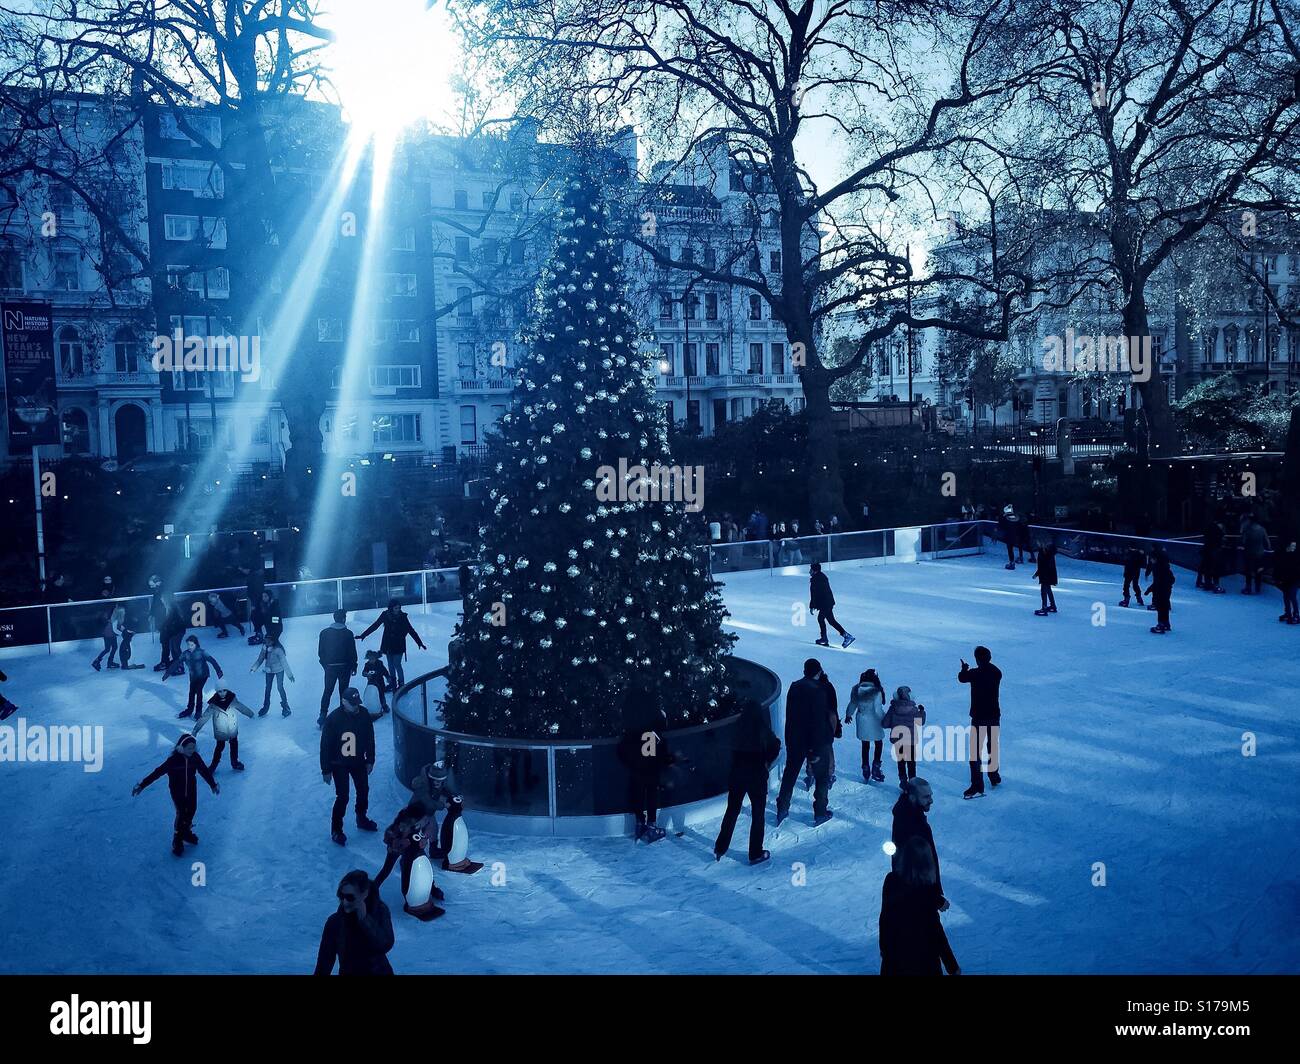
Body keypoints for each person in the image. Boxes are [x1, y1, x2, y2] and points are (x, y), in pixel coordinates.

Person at [879, 836, 960, 976]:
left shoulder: (891, 881)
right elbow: (936, 932)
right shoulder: (926, 892)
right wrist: (952, 966)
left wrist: (886, 953)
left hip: (896, 960)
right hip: (924, 961)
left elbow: (885, 921)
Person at [713, 699, 781, 865]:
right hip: (756, 776)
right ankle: (755, 852)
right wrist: (766, 761)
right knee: (758, 815)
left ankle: (720, 847)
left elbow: (725, 748)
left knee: (732, 811)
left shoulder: (736, 727)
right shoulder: (761, 729)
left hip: (737, 775)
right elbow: (775, 745)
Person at [131, 733, 220, 856]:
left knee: (192, 810)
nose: (192, 750)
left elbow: (204, 770)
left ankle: (186, 833)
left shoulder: (195, 757)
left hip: (191, 789)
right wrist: (142, 785)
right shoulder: (173, 761)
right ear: (181, 748)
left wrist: (213, 784)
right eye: (189, 748)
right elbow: (157, 773)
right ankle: (177, 840)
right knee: (182, 813)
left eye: (193, 747)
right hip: (177, 791)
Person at [775, 658, 835, 826]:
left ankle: (782, 807)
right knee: (822, 777)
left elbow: (791, 716)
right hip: (815, 742)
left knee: (790, 774)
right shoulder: (820, 691)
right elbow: (817, 721)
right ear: (818, 672)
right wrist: (815, 749)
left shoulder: (794, 687)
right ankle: (820, 812)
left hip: (795, 740)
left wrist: (789, 740)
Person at [320, 687, 377, 845]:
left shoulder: (364, 714)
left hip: (358, 761)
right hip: (340, 764)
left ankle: (361, 817)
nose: (356, 707)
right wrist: (326, 770)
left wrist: (370, 759)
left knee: (363, 790)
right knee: (343, 796)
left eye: (357, 703)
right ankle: (336, 829)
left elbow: (369, 737)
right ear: (343, 702)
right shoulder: (333, 719)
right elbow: (325, 746)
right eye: (353, 704)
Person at [314, 870, 395, 975]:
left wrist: (365, 920)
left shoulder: (379, 911)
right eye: (341, 897)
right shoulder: (335, 922)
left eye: (350, 897)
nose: (345, 902)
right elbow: (324, 963)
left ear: (364, 894)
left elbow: (385, 944)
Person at [373, 804, 446, 921]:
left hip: (414, 848)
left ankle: (432, 888)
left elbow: (425, 828)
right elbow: (388, 836)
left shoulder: (420, 821)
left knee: (424, 869)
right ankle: (372, 890)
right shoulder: (399, 826)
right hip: (398, 849)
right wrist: (398, 843)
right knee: (388, 869)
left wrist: (424, 837)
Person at [617, 703, 676, 842]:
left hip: (637, 768)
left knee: (638, 793)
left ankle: (639, 823)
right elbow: (660, 751)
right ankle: (651, 826)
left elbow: (623, 748)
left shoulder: (633, 728)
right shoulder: (654, 730)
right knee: (651, 795)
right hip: (650, 768)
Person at [409, 761, 480, 872]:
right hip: (416, 813)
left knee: (433, 830)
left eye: (440, 781)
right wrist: (443, 805)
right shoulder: (423, 784)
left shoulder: (439, 783)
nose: (437, 783)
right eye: (435, 780)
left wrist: (455, 796)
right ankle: (407, 857)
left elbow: (446, 790)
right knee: (415, 835)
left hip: (428, 813)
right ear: (431, 778)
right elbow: (427, 801)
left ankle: (433, 850)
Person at [891, 777, 947, 903]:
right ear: (912, 798)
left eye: (930, 795)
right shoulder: (913, 827)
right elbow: (918, 869)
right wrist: (935, 900)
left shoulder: (908, 814)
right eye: (926, 797)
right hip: (918, 899)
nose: (931, 800)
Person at [958, 646, 1001, 798]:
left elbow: (962, 678)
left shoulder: (975, 674)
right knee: (992, 747)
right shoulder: (997, 672)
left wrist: (964, 669)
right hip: (994, 716)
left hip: (979, 718)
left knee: (975, 753)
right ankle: (994, 776)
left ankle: (977, 785)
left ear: (977, 659)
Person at [357, 599, 426, 693]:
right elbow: (376, 625)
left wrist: (419, 642)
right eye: (396, 608)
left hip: (399, 644)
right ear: (391, 608)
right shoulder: (385, 615)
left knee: (397, 664)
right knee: (390, 665)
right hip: (388, 644)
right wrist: (364, 635)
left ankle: (401, 684)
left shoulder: (403, 616)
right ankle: (393, 683)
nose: (398, 610)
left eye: (399, 608)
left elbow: (410, 630)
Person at [192, 686, 255, 773]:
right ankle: (213, 766)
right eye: (219, 691)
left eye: (224, 690)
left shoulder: (232, 700)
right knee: (219, 747)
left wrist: (251, 714)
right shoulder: (213, 704)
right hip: (220, 729)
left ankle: (235, 762)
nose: (222, 693)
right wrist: (196, 729)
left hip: (232, 727)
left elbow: (242, 708)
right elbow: (205, 717)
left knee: (234, 745)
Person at [166, 635, 223, 719]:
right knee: (191, 692)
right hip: (193, 676)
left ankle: (198, 712)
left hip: (203, 674)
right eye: (188, 645)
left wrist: (219, 671)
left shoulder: (201, 652)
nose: (190, 647)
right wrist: (168, 673)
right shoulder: (185, 654)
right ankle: (189, 710)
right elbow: (177, 662)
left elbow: (212, 660)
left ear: (196, 644)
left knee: (198, 691)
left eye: (191, 645)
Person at [845, 668, 887, 783]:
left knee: (865, 745)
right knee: (878, 743)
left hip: (862, 720)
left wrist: (848, 715)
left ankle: (865, 767)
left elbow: (852, 704)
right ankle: (876, 767)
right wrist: (885, 720)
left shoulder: (856, 689)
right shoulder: (876, 692)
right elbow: (878, 710)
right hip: (874, 721)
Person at [318, 609, 358, 727]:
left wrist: (325, 665)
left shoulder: (324, 633)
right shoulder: (348, 633)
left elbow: (321, 652)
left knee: (327, 691)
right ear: (343, 619)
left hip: (330, 667)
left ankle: (322, 714)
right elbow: (352, 652)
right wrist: (354, 665)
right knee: (343, 691)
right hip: (344, 667)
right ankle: (344, 714)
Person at [882, 686, 925, 787]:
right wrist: (922, 712)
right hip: (910, 741)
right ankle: (913, 782)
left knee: (901, 762)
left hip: (898, 741)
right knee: (911, 762)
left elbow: (884, 724)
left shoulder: (893, 709)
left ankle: (903, 781)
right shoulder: (914, 710)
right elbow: (921, 722)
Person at [805, 667, 840, 790]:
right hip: (828, 719)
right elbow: (834, 705)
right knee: (828, 746)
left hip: (814, 719)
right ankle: (829, 773)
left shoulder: (809, 686)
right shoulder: (828, 686)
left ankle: (810, 772)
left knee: (811, 746)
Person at [808, 562, 854, 649]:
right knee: (831, 621)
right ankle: (845, 636)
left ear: (814, 570)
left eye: (811, 569)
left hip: (825, 604)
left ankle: (825, 638)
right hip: (827, 603)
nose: (809, 571)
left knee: (821, 619)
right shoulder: (820, 577)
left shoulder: (817, 579)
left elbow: (815, 594)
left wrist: (812, 606)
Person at [251, 634, 295, 717]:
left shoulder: (278, 650)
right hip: (269, 670)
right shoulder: (265, 648)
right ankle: (265, 707)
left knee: (280, 687)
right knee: (268, 689)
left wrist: (290, 675)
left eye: (269, 641)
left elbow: (284, 663)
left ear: (273, 641)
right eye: (266, 641)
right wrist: (254, 668)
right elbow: (260, 659)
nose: (267, 642)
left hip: (279, 670)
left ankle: (286, 707)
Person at [1147, 546, 1176, 634]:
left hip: (1162, 590)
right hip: (1165, 589)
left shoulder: (1159, 568)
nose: (1150, 561)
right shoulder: (1163, 566)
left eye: (1151, 559)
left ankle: (1161, 625)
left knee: (1161, 607)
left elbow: (1160, 581)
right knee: (1164, 607)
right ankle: (1166, 624)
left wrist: (1154, 588)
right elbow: (1171, 579)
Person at [1241, 515, 1271, 595]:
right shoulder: (1262, 529)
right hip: (1259, 553)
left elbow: (1243, 541)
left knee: (1248, 571)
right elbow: (1267, 541)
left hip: (1249, 552)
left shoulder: (1248, 530)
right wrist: (1268, 548)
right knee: (1258, 570)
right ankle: (1257, 587)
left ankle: (1248, 587)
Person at [91, 605, 125, 671]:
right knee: (107, 649)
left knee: (114, 647)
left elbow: (119, 626)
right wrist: (122, 633)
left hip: (110, 634)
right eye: (123, 613)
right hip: (109, 635)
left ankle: (110, 662)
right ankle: (97, 661)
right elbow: (115, 629)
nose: (124, 613)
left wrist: (125, 630)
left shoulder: (116, 619)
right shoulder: (115, 619)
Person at [1274, 540, 1299, 624]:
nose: (1294, 548)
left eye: (1295, 546)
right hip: (1285, 580)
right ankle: (1288, 613)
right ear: (1287, 547)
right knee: (1286, 597)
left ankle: (1296, 614)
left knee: (1292, 596)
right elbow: (1279, 568)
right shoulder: (1283, 556)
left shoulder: (1296, 556)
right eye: (1292, 546)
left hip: (1294, 579)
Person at [361, 650, 392, 715]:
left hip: (380, 682)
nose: (371, 661)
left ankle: (384, 705)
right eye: (370, 659)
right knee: (372, 695)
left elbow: (385, 671)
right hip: (371, 682)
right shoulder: (367, 665)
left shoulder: (380, 664)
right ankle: (373, 706)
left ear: (376, 658)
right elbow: (363, 672)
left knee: (381, 695)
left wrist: (388, 677)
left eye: (372, 659)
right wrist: (366, 674)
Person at [1201, 517, 1226, 593]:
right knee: (1215, 568)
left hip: (1207, 550)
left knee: (1207, 567)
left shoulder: (1208, 527)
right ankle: (1216, 586)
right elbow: (1221, 538)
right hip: (1214, 550)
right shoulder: (1218, 530)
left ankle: (1207, 584)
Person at [1032, 543, 1058, 616]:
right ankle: (1052, 606)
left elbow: (1043, 566)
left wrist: (1037, 574)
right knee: (1048, 590)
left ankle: (1044, 608)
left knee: (1043, 591)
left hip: (1046, 575)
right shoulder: (1048, 553)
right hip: (1049, 574)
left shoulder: (1045, 554)